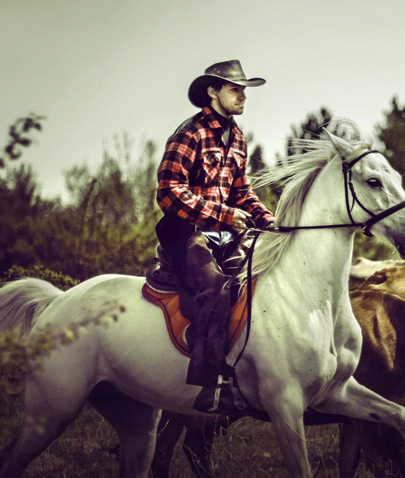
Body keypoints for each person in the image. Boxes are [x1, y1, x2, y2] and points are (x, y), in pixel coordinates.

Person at [155, 59, 274, 414]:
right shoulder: (189, 133)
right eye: (236, 89)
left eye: (244, 91)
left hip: (225, 235)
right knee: (217, 286)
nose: (243, 96)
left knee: (255, 281)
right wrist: (221, 214)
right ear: (213, 91)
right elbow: (168, 192)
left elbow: (241, 191)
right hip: (186, 233)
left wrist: (267, 218)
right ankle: (211, 387)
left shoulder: (237, 137)